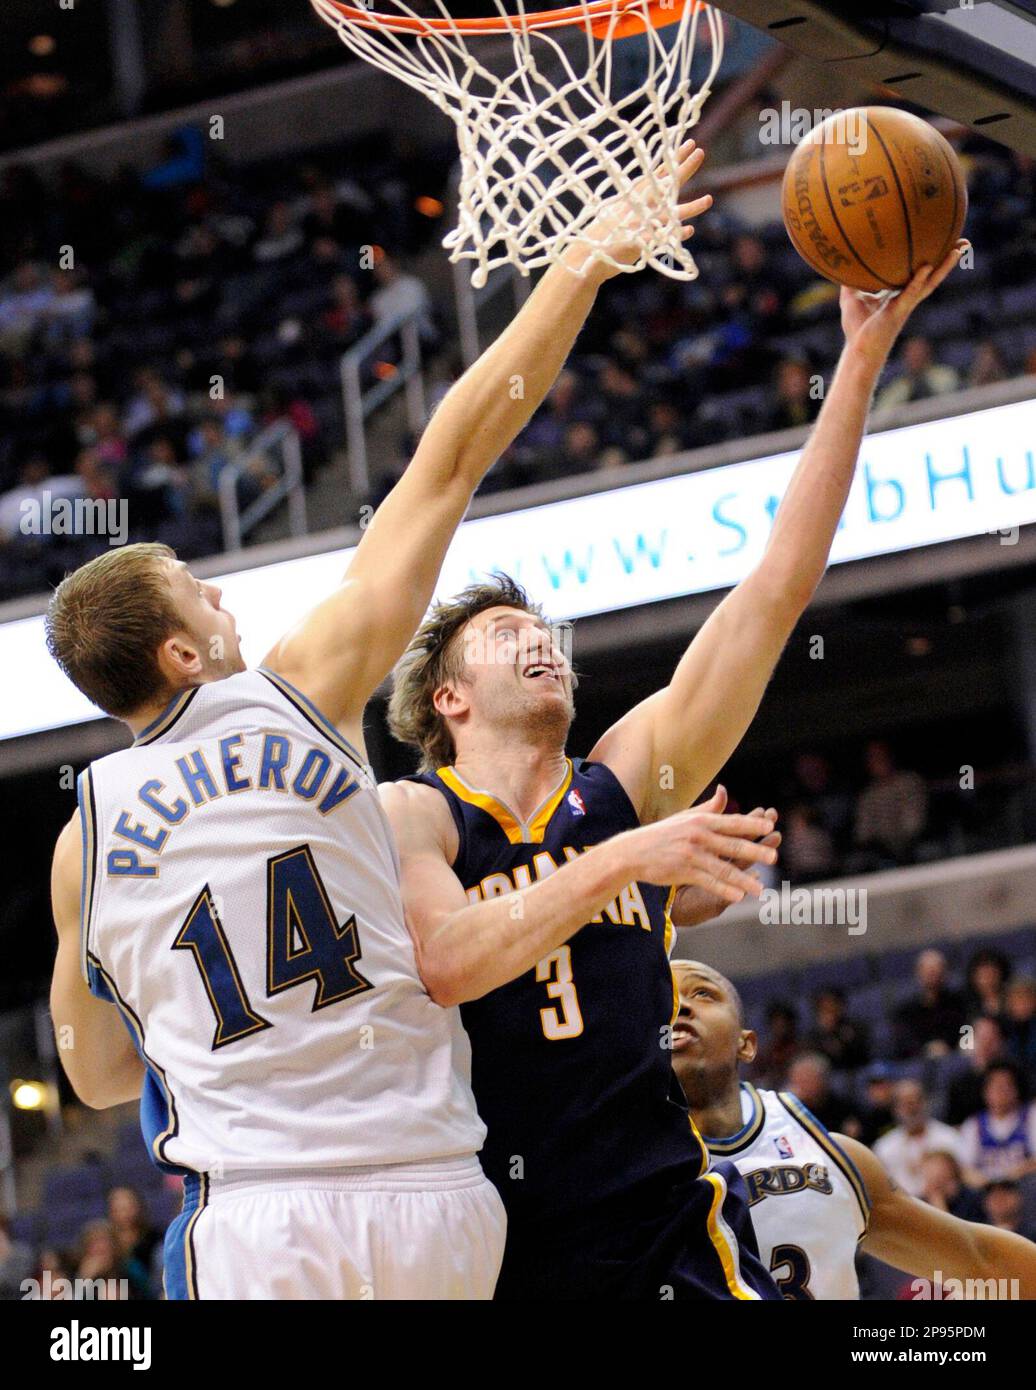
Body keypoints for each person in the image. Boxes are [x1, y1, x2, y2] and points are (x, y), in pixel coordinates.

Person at [46, 158, 702, 1301]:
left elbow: (99, 1076)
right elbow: (449, 458)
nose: (229, 598)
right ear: (180, 653)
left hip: (260, 1220)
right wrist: (584, 264)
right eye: (204, 592)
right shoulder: (304, 687)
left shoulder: (85, 837)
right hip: (434, 1196)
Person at [379, 233, 969, 1298]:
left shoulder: (617, 783)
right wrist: (629, 863)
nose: (538, 638)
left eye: (542, 625)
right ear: (445, 698)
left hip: (664, 1229)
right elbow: (448, 961)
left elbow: (775, 588)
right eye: (506, 632)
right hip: (495, 1247)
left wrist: (862, 361)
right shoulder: (416, 813)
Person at [670, 960, 1036, 1299]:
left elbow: (979, 1259)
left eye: (702, 993)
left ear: (746, 1044)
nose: (679, 1006)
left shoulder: (830, 1155)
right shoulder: (618, 1171)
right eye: (662, 995)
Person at [872, 1079, 968, 1197]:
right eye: (905, 1104)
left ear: (926, 1103)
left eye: (915, 1102)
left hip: (945, 1205)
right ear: (895, 1109)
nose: (912, 1109)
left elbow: (964, 1177)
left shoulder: (949, 1138)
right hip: (900, 1208)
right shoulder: (884, 1147)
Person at [852, 739, 929, 869]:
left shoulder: (909, 781)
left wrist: (902, 847)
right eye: (872, 758)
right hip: (883, 854)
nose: (877, 761)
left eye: (881, 756)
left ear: (890, 756)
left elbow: (914, 824)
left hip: (916, 845)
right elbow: (863, 834)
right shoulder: (868, 795)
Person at [958, 1061, 1036, 1183]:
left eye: (1005, 1085)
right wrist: (987, 1184)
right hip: (986, 1190)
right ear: (985, 1091)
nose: (999, 1091)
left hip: (1023, 1186)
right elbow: (965, 1169)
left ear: (1017, 1089)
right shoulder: (974, 1124)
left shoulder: (1031, 1116)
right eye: (994, 1085)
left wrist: (1010, 1178)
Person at [891, 948, 968, 1059]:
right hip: (921, 1059)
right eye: (928, 971)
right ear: (919, 973)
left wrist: (949, 1046)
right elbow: (904, 1042)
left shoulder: (959, 1002)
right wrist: (927, 1049)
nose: (932, 975)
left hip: (956, 1054)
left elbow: (965, 1028)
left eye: (936, 970)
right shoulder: (906, 1011)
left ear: (945, 973)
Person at [805, 987, 871, 1073]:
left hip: (855, 1072)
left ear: (841, 1007)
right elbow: (813, 1059)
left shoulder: (856, 1028)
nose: (830, 1011)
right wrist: (825, 1032)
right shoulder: (811, 1035)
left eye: (833, 1005)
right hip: (824, 1075)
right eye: (825, 1007)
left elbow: (861, 1056)